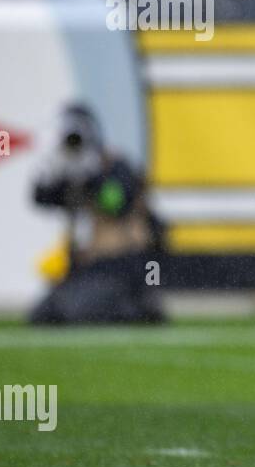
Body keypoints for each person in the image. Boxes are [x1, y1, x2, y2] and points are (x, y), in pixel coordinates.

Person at [29, 105, 165, 325]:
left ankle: (141, 306)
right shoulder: (69, 168)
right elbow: (41, 198)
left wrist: (92, 178)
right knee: (44, 315)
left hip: (120, 264)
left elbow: (118, 204)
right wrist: (54, 172)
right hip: (87, 266)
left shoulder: (115, 166)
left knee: (80, 311)